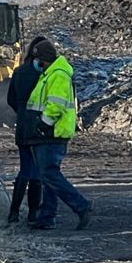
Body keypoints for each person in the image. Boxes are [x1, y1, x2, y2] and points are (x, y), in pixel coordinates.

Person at [26, 39, 91, 230]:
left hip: (53, 132)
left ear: (44, 59)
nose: (36, 63)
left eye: (38, 59)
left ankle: (81, 206)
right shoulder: (51, 73)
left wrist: (44, 124)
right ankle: (47, 216)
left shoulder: (58, 74)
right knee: (49, 175)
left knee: (49, 174)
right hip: (51, 132)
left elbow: (56, 104)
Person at [5, 37, 47, 224]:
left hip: (22, 125)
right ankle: (33, 213)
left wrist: (21, 113)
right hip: (38, 125)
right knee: (37, 171)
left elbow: (10, 99)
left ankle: (14, 212)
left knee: (24, 168)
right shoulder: (45, 75)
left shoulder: (18, 72)